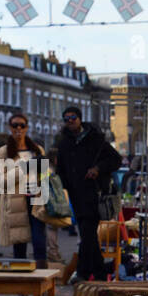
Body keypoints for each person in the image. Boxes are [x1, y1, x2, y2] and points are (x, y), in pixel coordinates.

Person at [54, 106, 121, 282]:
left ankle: (83, 272)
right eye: (66, 118)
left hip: (94, 194)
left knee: (87, 232)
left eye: (73, 117)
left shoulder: (95, 139)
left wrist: (98, 169)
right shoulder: (64, 143)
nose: (70, 121)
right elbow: (61, 168)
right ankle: (99, 272)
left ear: (80, 119)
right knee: (88, 235)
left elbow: (116, 160)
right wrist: (65, 186)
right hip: (76, 195)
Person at [0, 114, 47, 265]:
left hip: (36, 198)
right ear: (10, 128)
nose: (18, 128)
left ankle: (42, 275)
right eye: (15, 125)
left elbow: (45, 177)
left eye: (22, 125)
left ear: (27, 128)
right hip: (16, 201)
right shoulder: (3, 152)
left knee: (39, 239)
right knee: (19, 241)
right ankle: (21, 277)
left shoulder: (37, 150)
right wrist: (25, 168)